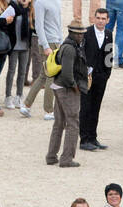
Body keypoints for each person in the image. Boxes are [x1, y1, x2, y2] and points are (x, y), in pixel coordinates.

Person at [46, 20, 90, 168]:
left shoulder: (67, 46)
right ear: (73, 34)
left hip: (58, 87)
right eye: (79, 34)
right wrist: (75, 87)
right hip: (67, 89)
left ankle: (52, 156)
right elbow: (67, 74)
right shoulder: (71, 49)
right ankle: (66, 159)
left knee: (59, 123)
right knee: (73, 124)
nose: (82, 36)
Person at [80, 9, 115, 150]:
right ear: (94, 19)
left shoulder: (108, 34)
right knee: (85, 107)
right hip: (87, 77)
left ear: (107, 20)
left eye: (103, 18)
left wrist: (107, 73)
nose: (100, 21)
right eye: (98, 18)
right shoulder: (86, 33)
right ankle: (84, 139)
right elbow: (81, 53)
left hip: (101, 77)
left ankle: (93, 137)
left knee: (96, 107)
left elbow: (109, 55)